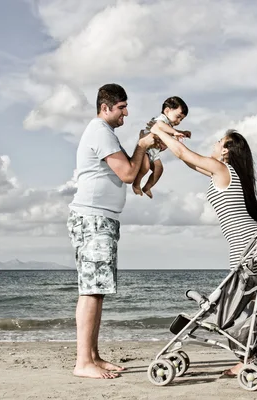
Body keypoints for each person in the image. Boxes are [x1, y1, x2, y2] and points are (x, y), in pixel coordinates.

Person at [149, 124, 257, 376]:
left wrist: (158, 130)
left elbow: (184, 155)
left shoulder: (222, 169)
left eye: (220, 141)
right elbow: (190, 161)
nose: (215, 143)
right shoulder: (220, 171)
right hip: (252, 242)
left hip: (246, 245)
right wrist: (172, 137)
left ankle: (247, 358)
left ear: (227, 151)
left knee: (247, 305)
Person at [67, 83, 156, 379]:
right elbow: (128, 172)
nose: (126, 113)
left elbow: (133, 172)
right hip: (92, 219)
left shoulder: (106, 134)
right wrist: (142, 146)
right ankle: (83, 363)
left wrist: (146, 151)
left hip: (101, 219)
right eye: (121, 107)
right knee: (92, 290)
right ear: (105, 107)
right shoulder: (100, 132)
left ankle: (93, 356)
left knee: (98, 290)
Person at [132, 96, 191, 198]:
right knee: (145, 167)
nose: (179, 121)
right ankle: (136, 184)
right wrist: (175, 132)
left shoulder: (169, 126)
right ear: (167, 111)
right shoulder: (161, 119)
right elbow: (160, 126)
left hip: (154, 152)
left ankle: (147, 187)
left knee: (159, 169)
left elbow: (169, 130)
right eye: (178, 117)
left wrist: (182, 132)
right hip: (145, 147)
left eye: (181, 119)